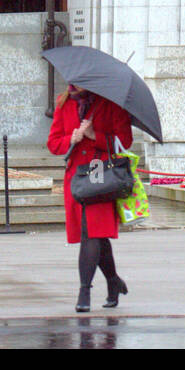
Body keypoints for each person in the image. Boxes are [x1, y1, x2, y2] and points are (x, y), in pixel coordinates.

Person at [46, 83, 133, 312]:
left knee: (91, 231)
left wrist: (96, 135)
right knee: (95, 233)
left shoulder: (110, 104)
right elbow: (53, 143)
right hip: (76, 176)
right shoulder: (64, 102)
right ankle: (113, 282)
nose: (74, 88)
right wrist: (70, 139)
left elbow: (124, 142)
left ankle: (84, 291)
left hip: (99, 171)